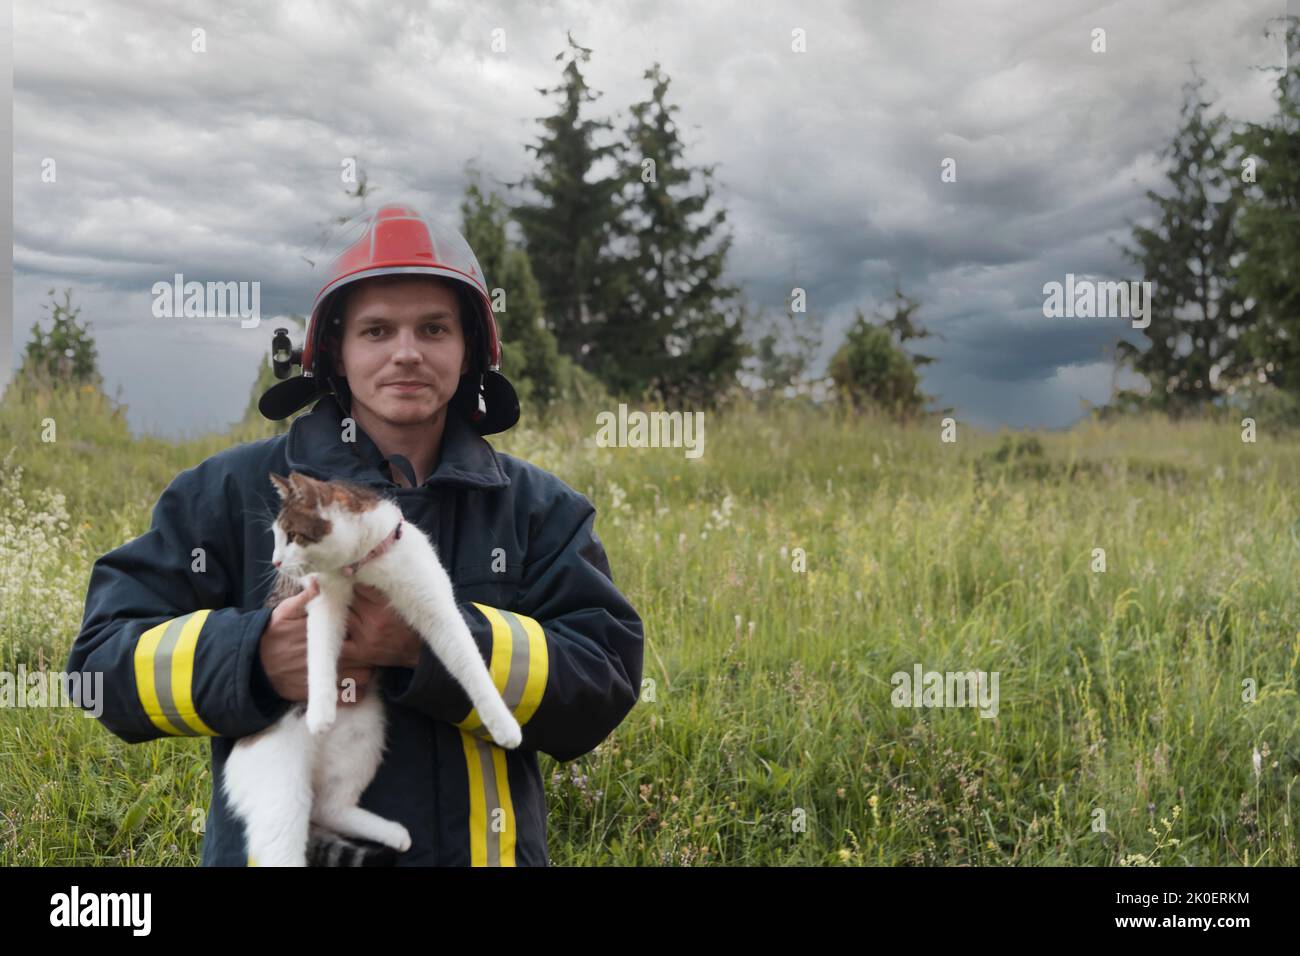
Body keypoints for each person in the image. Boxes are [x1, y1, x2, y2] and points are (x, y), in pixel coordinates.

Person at [67, 204, 645, 866]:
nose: (406, 352)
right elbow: (99, 668)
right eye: (376, 330)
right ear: (334, 354)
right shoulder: (226, 492)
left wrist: (428, 645)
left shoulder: (539, 510)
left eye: (434, 328)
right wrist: (252, 656)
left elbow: (602, 683)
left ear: (471, 350)